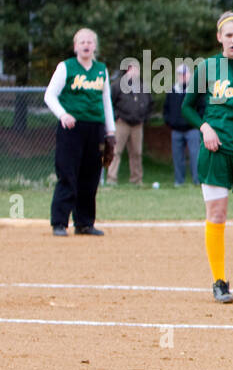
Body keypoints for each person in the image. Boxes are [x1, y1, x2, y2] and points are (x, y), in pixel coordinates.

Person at [176, 11, 233, 303]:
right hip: (216, 148)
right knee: (217, 214)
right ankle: (219, 281)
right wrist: (205, 128)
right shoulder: (207, 67)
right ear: (219, 38)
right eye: (228, 35)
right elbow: (187, 107)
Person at [44, 27, 116, 236]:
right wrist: (62, 114)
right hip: (71, 127)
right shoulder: (66, 67)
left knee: (91, 176)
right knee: (68, 174)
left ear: (95, 47)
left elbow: (106, 102)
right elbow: (50, 96)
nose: (86, 45)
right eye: (82, 42)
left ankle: (84, 222)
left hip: (95, 127)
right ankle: (59, 222)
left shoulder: (101, 69)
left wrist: (110, 131)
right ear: (75, 47)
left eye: (90, 42)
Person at [107, 60, 153, 186]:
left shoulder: (143, 86)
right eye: (133, 69)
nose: (135, 72)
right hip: (122, 123)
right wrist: (116, 117)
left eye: (137, 69)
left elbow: (150, 104)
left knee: (137, 153)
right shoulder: (117, 86)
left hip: (138, 125)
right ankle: (111, 178)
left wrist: (144, 118)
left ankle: (136, 180)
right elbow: (109, 102)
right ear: (127, 70)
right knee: (116, 151)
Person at [163, 63, 202, 186]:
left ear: (189, 75)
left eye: (185, 74)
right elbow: (166, 109)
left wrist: (198, 123)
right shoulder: (173, 90)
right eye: (180, 74)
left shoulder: (195, 90)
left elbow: (202, 108)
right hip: (176, 129)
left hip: (192, 129)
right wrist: (170, 121)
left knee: (195, 155)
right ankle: (179, 181)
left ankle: (197, 180)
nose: (183, 77)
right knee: (177, 157)